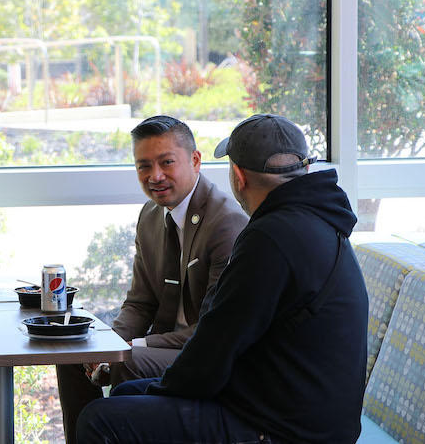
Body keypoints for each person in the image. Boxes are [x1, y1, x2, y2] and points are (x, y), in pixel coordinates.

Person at [76, 114, 369, 444]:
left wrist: (163, 389)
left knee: (101, 421)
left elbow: (216, 342)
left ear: (239, 176)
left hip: (283, 428)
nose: (155, 175)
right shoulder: (315, 221)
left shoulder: (269, 238)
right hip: (286, 404)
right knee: (128, 393)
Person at [56, 115, 248, 444]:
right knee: (75, 354)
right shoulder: (149, 215)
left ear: (196, 160)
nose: (155, 176)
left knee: (129, 361)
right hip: (161, 345)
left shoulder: (227, 222)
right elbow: (139, 303)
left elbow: (213, 330)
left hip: (204, 354)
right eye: (143, 166)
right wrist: (107, 345)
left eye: (166, 163)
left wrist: (131, 348)